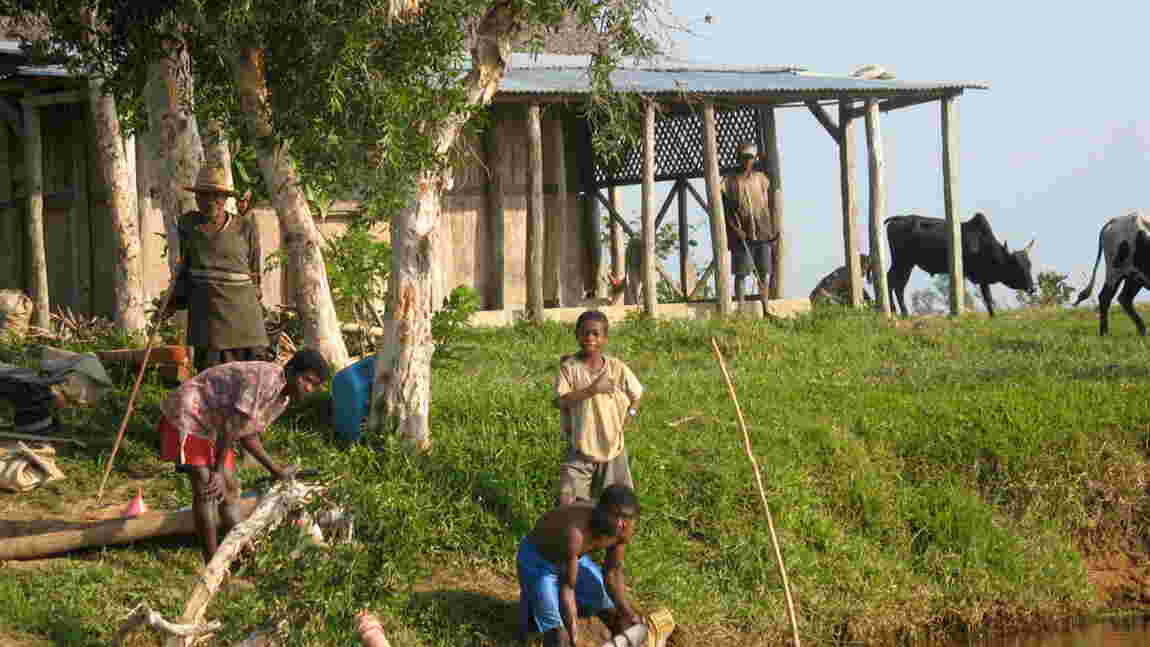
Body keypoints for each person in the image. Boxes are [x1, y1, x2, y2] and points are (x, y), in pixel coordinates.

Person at [158, 349, 330, 563]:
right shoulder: (265, 381)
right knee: (207, 488)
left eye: (314, 385)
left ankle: (244, 555)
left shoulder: (282, 399)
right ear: (292, 370)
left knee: (229, 491)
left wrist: (276, 471)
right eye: (307, 380)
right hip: (190, 413)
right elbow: (231, 429)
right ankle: (212, 566)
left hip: (215, 425)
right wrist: (217, 472)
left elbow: (247, 434)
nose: (308, 388)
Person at [162, 162, 269, 373]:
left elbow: (255, 275)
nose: (209, 201)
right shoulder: (188, 226)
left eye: (216, 195)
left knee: (250, 382)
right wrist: (171, 302)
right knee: (212, 387)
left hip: (246, 323)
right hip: (209, 325)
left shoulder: (244, 227)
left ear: (225, 199)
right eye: (203, 195)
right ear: (196, 197)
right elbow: (184, 272)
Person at [517, 484, 643, 647]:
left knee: (618, 618)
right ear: (602, 511)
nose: (621, 524)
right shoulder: (575, 532)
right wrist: (574, 634)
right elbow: (567, 588)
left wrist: (629, 614)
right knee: (559, 638)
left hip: (574, 560)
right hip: (539, 562)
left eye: (625, 518)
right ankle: (531, 614)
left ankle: (536, 612)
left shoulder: (623, 528)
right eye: (616, 516)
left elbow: (612, 572)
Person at [554, 310, 642, 506]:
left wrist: (630, 415)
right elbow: (559, 401)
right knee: (567, 502)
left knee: (616, 505)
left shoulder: (616, 367)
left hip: (612, 448)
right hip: (580, 448)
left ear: (605, 338)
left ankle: (610, 536)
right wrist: (592, 390)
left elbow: (636, 393)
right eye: (585, 333)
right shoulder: (569, 368)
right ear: (576, 335)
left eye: (596, 334)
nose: (590, 338)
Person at [722, 140, 777, 303]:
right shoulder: (728, 181)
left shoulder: (761, 179)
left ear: (755, 159)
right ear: (738, 157)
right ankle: (741, 309)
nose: (747, 161)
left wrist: (773, 229)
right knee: (741, 273)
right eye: (744, 157)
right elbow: (726, 211)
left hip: (763, 233)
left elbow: (769, 203)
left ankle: (765, 306)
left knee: (764, 273)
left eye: (750, 157)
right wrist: (734, 229)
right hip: (741, 235)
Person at [809, 254, 875, 306]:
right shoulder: (849, 273)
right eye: (865, 269)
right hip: (822, 297)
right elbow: (861, 292)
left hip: (818, 296)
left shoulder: (844, 270)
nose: (864, 273)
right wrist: (871, 302)